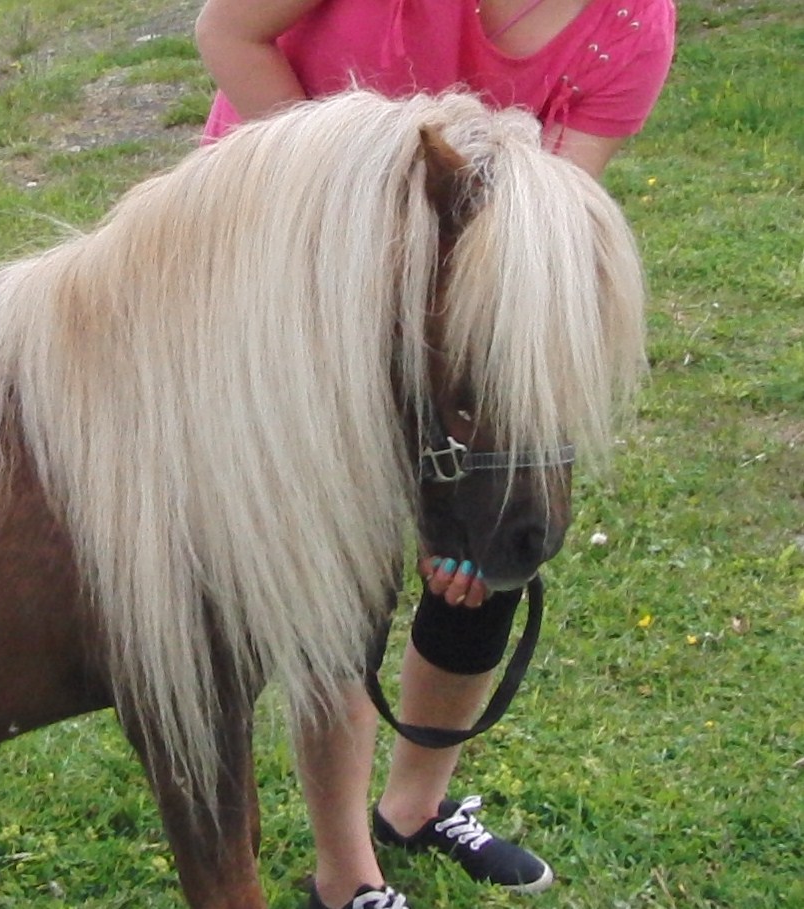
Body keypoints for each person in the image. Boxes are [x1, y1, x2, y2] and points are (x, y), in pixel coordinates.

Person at [194, 3, 675, 908]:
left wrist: (459, 491)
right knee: (339, 583)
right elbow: (227, 34)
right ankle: (345, 874)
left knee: (484, 563)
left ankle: (413, 805)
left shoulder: (630, 26)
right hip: (293, 253)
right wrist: (359, 226)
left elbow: (541, 235)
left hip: (460, 293)